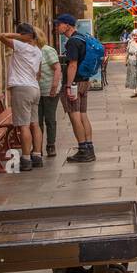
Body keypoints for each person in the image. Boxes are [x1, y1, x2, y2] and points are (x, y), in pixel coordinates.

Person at [0, 23, 45, 171]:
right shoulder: (38, 51)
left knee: (24, 125)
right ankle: (37, 155)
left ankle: (25, 159)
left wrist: (20, 37)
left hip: (21, 88)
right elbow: (38, 74)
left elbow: (0, 36)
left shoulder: (21, 46)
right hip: (34, 88)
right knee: (35, 124)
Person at [54, 13, 95, 163]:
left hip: (75, 83)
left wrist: (68, 85)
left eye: (59, 24)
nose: (57, 27)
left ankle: (83, 149)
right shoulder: (82, 38)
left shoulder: (72, 42)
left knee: (74, 116)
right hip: (84, 81)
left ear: (68, 25)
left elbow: (72, 65)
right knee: (83, 114)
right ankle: (89, 148)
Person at [38, 30, 61, 158]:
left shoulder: (47, 50)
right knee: (37, 120)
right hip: (36, 91)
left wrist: (54, 86)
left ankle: (51, 145)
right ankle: (37, 146)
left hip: (49, 90)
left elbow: (57, 68)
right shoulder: (32, 51)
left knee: (49, 119)